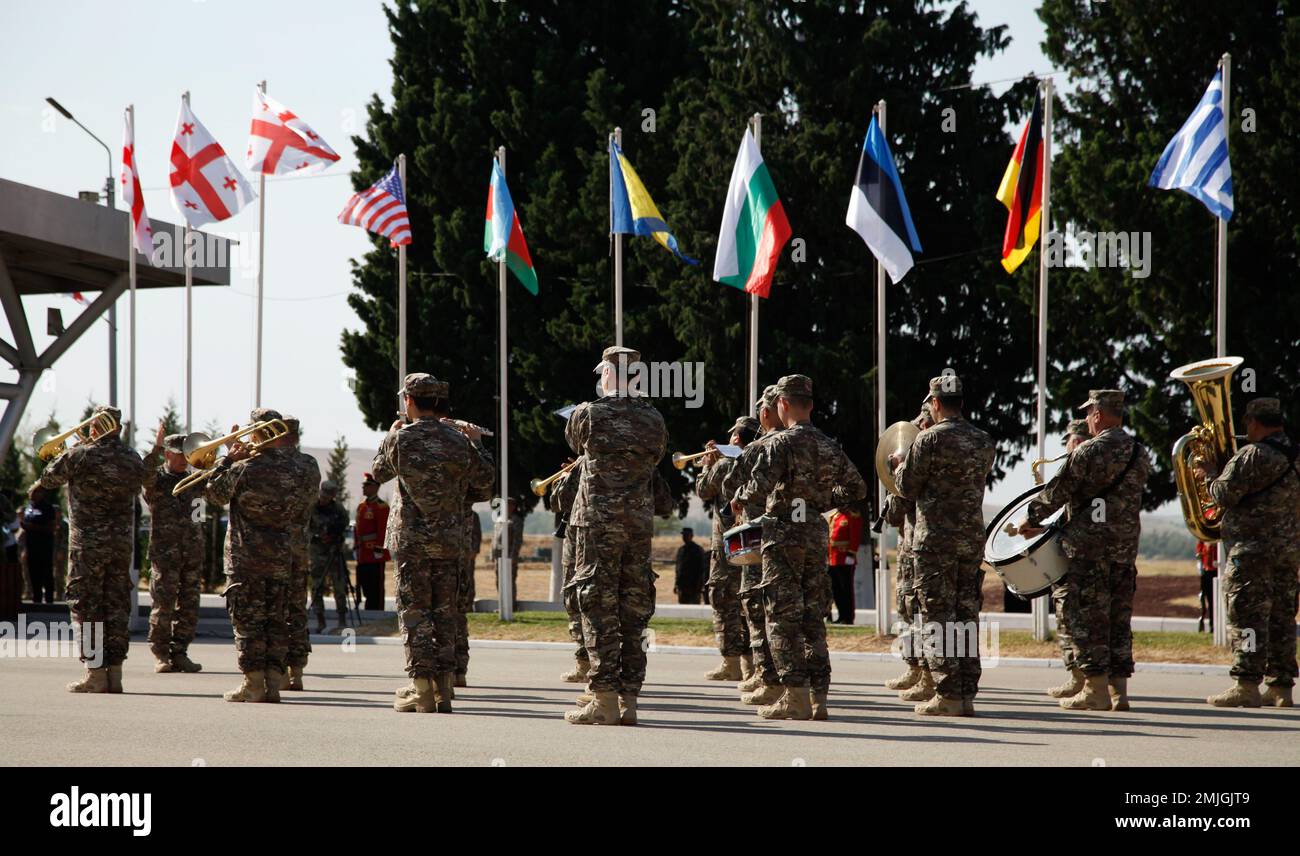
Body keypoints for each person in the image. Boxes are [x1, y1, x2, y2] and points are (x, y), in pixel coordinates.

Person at [734, 374, 868, 721]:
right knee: (813, 618)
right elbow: (857, 489)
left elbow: (756, 488)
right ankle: (819, 697)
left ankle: (794, 696)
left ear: (783, 404)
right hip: (814, 533)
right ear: (809, 404)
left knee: (781, 617)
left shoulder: (781, 444)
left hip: (783, 535)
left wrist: (740, 499)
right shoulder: (829, 445)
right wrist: (824, 500)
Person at [372, 373, 495, 714]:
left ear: (409, 401)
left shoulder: (402, 438)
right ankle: (443, 687)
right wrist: (476, 442)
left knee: (414, 612)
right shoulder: (459, 440)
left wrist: (391, 436)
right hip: (450, 537)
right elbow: (485, 486)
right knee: (445, 611)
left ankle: (421, 688)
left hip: (411, 539)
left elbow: (379, 472)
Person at [1022, 389, 1150, 713]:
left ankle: (1095, 690)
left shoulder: (1089, 451)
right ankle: (1119, 692)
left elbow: (1057, 491)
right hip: (1124, 549)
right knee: (1118, 620)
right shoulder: (1139, 451)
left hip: (1088, 549)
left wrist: (1030, 516)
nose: (1090, 419)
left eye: (1091, 412)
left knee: (1090, 619)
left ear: (1097, 414)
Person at [563, 346, 668, 726]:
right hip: (637, 525)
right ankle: (629, 700)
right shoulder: (654, 418)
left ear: (607, 374)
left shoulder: (589, 414)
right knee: (634, 609)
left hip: (596, 524)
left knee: (597, 608)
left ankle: (603, 697)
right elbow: (656, 457)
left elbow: (575, 445)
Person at [892, 375, 995, 717]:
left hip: (934, 541)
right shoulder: (983, 440)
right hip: (969, 541)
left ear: (935, 403)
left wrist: (899, 465)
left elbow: (906, 487)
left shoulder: (928, 439)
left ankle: (948, 693)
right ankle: (966, 691)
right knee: (966, 615)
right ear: (960, 402)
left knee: (938, 616)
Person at [205, 408, 321, 703]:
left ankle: (253, 684)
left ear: (257, 433)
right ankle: (272, 683)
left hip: (247, 558)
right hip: (284, 556)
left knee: (248, 622)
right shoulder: (306, 466)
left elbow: (214, 494)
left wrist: (228, 459)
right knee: (276, 621)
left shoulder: (244, 468)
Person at [34, 406, 145, 694]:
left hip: (87, 545)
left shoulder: (80, 455)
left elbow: (48, 479)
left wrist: (69, 451)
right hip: (120, 545)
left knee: (87, 608)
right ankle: (116, 674)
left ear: (94, 426)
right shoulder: (133, 458)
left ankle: (95, 673)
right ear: (118, 428)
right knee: (117, 607)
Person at [1199, 397, 1300, 708]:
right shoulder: (1296, 455)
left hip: (1251, 551)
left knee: (1247, 615)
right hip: (1287, 551)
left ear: (1254, 423)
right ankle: (1281, 688)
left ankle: (1246, 684)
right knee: (1282, 617)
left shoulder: (1252, 455)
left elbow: (1223, 494)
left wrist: (1208, 474)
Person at [726, 386, 784, 703]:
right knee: (790, 611)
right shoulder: (810, 443)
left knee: (758, 607)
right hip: (792, 538)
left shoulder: (762, 447)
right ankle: (803, 683)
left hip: (758, 538)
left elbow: (729, 487)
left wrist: (740, 497)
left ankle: (768, 677)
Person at [695, 416, 759, 680]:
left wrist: (706, 465)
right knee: (749, 601)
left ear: (736, 439)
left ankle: (731, 663)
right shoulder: (758, 460)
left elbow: (702, 490)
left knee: (723, 599)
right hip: (753, 541)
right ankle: (751, 664)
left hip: (728, 543)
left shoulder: (724, 464)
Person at [141, 425, 205, 673]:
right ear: (167, 454)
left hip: (192, 553)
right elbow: (143, 474)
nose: (183, 458)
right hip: (165, 553)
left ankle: (180, 652)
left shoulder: (195, 481)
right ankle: (161, 654)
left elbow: (201, 514)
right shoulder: (156, 479)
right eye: (178, 454)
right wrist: (155, 448)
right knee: (164, 605)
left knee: (189, 606)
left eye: (186, 454)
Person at [882, 403, 934, 694]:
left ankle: (923, 673)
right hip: (913, 543)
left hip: (918, 543)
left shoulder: (919, 461)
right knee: (910, 609)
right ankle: (915, 669)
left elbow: (894, 512)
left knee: (916, 610)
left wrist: (899, 469)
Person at [1044, 417, 1093, 699]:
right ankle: (1081, 676)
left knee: (1072, 614)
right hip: (1076, 549)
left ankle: (1082, 678)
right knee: (1070, 615)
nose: (1070, 447)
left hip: (1077, 554)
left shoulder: (1081, 468)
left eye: (1073, 442)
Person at [281, 416, 319, 691]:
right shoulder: (309, 464)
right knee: (296, 610)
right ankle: (297, 671)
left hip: (271, 551)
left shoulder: (265, 464)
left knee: (274, 611)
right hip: (299, 549)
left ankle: (277, 669)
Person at [553, 458, 589, 682]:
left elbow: (559, 501)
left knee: (576, 604)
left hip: (579, 544)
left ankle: (584, 665)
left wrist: (566, 479)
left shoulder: (586, 462)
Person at [456, 471, 491, 687]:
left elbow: (475, 537)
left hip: (456, 561)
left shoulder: (455, 510)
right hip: (454, 560)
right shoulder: (466, 506)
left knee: (450, 618)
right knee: (458, 620)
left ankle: (452, 673)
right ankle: (458, 671)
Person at [309, 480, 351, 633]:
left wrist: (334, 536)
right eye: (323, 496)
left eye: (328, 497)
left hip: (334, 551)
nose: (324, 499)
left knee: (339, 585)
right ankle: (320, 620)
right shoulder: (311, 507)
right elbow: (304, 528)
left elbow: (344, 525)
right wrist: (318, 536)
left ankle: (342, 620)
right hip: (317, 552)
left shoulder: (338, 509)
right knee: (317, 586)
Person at [354, 473, 390, 611]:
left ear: (375, 487)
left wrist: (379, 549)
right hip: (363, 552)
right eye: (363, 485)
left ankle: (377, 611)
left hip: (374, 553)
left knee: (376, 586)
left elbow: (382, 530)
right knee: (365, 584)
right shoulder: (361, 506)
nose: (364, 488)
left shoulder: (381, 507)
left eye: (367, 485)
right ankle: (368, 609)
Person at [20, 485, 59, 604]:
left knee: (46, 572)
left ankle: (49, 599)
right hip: (31, 545)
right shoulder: (28, 507)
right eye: (31, 491)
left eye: (36, 492)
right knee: (33, 571)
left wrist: (34, 527)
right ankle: (36, 598)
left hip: (44, 545)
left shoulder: (48, 508)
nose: (32, 494)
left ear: (42, 493)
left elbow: (52, 527)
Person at [827, 504, 863, 624]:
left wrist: (851, 553)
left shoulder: (852, 516)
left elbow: (855, 536)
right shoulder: (834, 516)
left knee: (846, 588)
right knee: (836, 589)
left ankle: (848, 617)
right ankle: (841, 615)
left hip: (845, 557)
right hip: (833, 558)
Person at [491, 498, 525, 608]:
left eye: (509, 505)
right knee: (499, 580)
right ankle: (502, 605)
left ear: (513, 507)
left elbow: (517, 540)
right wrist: (492, 554)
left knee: (509, 580)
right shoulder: (499, 519)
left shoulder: (516, 520)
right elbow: (494, 538)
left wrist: (513, 556)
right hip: (498, 555)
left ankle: (511, 605)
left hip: (509, 556)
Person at [672, 527, 706, 604]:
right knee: (682, 608)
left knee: (694, 609)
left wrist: (700, 586)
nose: (684, 537)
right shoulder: (681, 550)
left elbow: (702, 569)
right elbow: (678, 569)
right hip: (682, 586)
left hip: (694, 586)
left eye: (687, 535)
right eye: (683, 535)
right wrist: (676, 584)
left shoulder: (698, 550)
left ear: (691, 536)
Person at [1195, 540, 1217, 634]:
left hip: (1216, 570)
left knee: (1214, 601)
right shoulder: (1204, 538)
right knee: (1205, 599)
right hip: (1206, 570)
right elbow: (1200, 548)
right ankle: (1207, 623)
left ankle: (1213, 626)